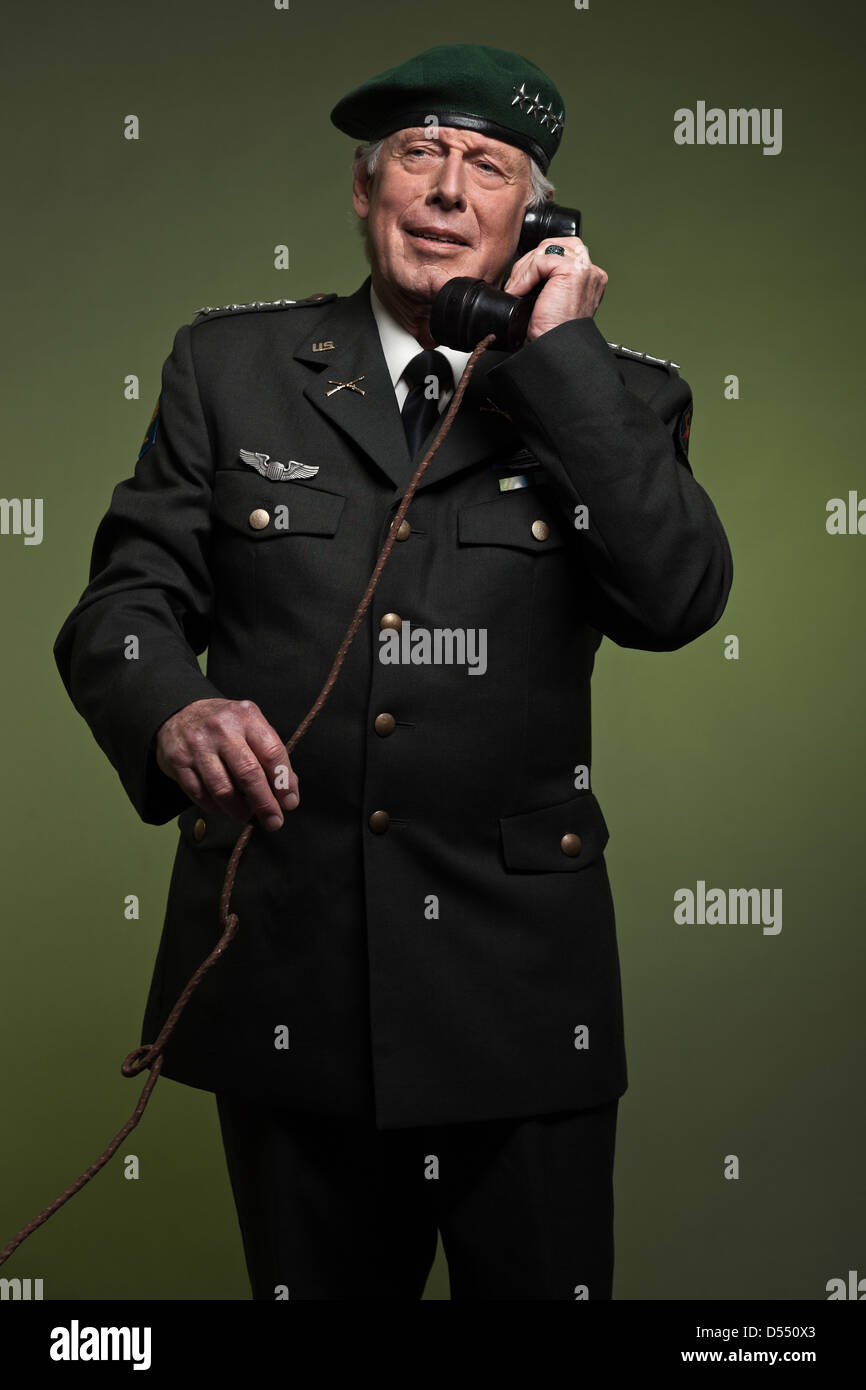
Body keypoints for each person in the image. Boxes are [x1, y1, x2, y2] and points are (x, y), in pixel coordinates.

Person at [53, 42, 733, 1300]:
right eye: (417, 155)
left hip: (522, 1002)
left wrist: (561, 363)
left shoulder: (623, 396)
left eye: (485, 167)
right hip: (286, 977)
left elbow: (678, 600)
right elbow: (123, 605)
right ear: (364, 194)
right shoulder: (231, 367)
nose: (444, 189)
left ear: (534, 221)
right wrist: (173, 706)